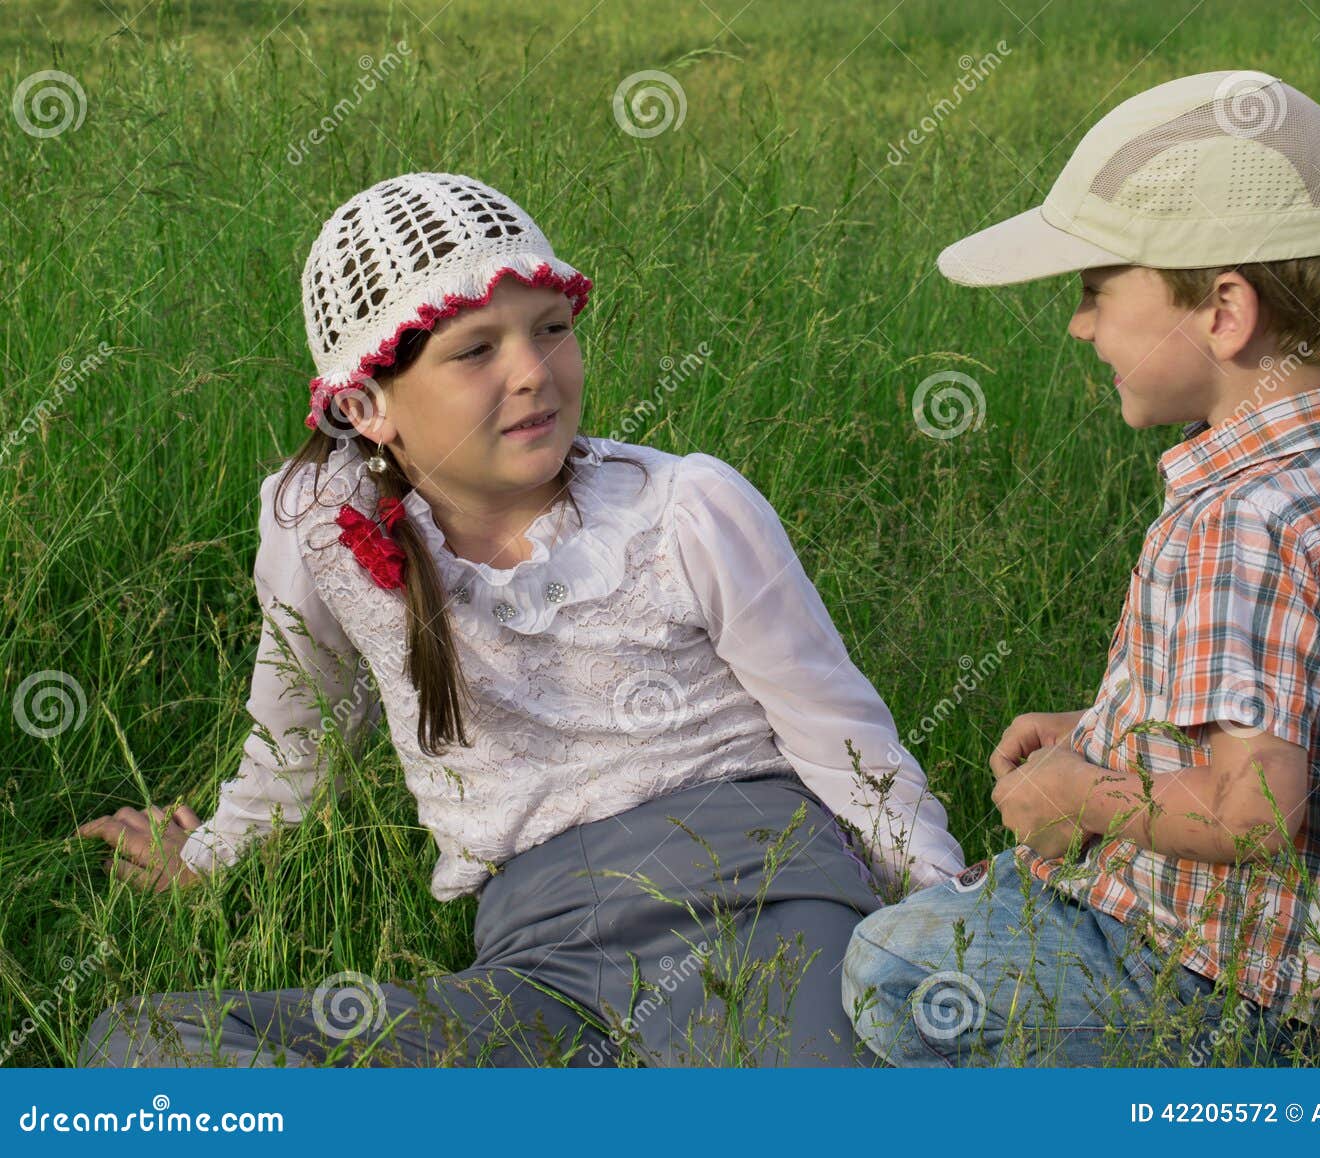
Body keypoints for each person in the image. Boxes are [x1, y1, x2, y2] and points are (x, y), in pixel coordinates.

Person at [75, 171, 964, 1068]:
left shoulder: (683, 509)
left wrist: (944, 918)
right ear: (364, 406)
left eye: (553, 330)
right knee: (141, 1041)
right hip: (540, 971)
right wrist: (208, 861)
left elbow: (845, 738)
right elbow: (298, 741)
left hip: (758, 912)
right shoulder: (322, 531)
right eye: (476, 351)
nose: (534, 372)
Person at [842, 71, 1320, 1067]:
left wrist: (1082, 800)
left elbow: (1254, 815)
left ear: (1223, 311)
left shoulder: (1242, 525)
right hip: (1271, 974)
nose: (1079, 326)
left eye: (1095, 292)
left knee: (890, 967)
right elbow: (1295, 715)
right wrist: (1103, 733)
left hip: (1205, 994)